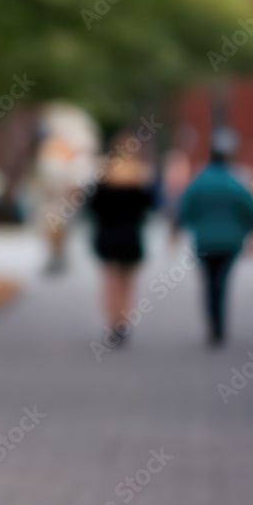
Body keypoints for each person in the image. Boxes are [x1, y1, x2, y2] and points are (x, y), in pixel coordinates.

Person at [177, 128, 253, 347]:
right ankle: (220, 326)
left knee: (208, 283)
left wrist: (183, 226)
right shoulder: (235, 182)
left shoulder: (199, 181)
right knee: (222, 283)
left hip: (205, 242)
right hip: (230, 243)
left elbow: (184, 210)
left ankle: (212, 324)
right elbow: (251, 211)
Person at [86, 132, 155, 347]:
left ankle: (113, 322)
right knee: (128, 283)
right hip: (131, 236)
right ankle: (123, 322)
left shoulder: (103, 178)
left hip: (107, 236)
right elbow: (149, 206)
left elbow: (92, 208)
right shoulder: (140, 178)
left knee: (110, 282)